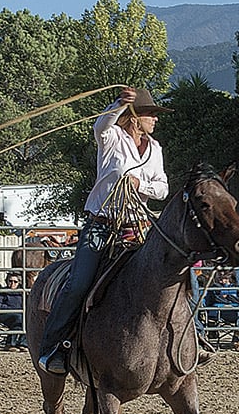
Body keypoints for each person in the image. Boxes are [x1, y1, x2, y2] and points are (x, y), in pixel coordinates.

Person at [38, 86, 172, 374]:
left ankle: (189, 338)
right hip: (102, 225)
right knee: (79, 284)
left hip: (138, 226)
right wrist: (118, 103)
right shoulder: (112, 139)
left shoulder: (155, 149)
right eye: (150, 114)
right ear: (134, 117)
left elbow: (162, 188)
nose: (155, 120)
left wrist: (140, 185)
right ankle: (53, 347)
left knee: (174, 271)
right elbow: (102, 124)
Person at [205, 270, 239, 350]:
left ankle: (237, 341)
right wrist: (230, 300)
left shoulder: (236, 287)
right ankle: (237, 338)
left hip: (233, 312)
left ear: (229, 278)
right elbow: (217, 298)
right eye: (220, 277)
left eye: (224, 277)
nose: (221, 280)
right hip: (219, 312)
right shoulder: (215, 286)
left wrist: (227, 297)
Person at [0, 272, 27, 350]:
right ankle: (10, 344)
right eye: (10, 281)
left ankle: (23, 343)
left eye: (15, 281)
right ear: (6, 281)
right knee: (18, 318)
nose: (12, 283)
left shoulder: (22, 292)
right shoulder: (2, 292)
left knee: (27, 319)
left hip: (20, 314)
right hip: (4, 314)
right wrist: (12, 309)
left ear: (19, 282)